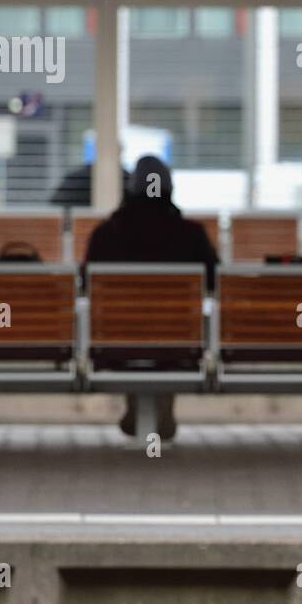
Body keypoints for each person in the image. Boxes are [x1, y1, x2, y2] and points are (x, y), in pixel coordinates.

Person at [84, 155, 218, 441]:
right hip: (178, 342)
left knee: (134, 333)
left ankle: (138, 404)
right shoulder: (190, 235)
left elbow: (84, 282)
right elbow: (215, 278)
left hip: (116, 342)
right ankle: (162, 403)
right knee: (165, 333)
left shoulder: (106, 234)